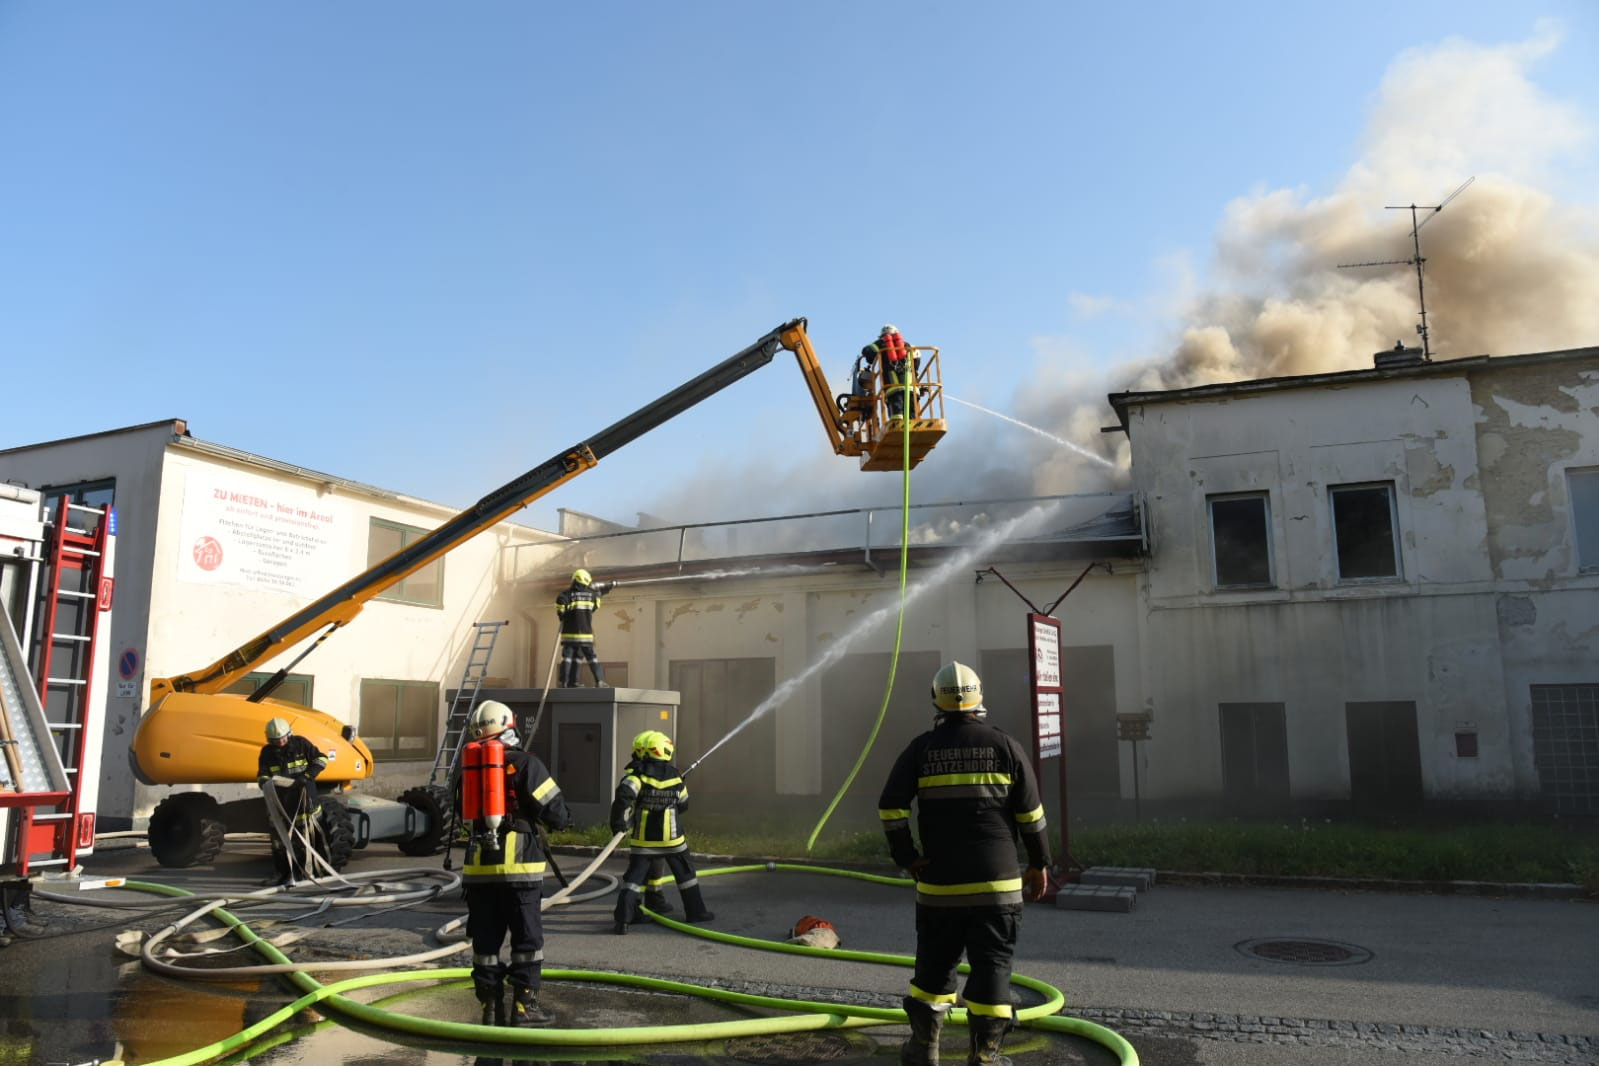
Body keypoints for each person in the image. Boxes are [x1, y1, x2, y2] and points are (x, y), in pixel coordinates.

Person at [878, 662, 1052, 1066]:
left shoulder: (921, 750)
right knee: (993, 966)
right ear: (979, 698)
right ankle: (986, 1055)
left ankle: (924, 1049)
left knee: (934, 966)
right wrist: (1039, 862)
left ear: (935, 700)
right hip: (997, 887)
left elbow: (891, 808)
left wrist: (907, 857)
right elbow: (1031, 815)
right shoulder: (1005, 746)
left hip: (939, 886)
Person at [457, 699, 573, 1028]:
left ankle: (489, 1005)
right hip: (519, 868)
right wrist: (563, 821)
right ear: (510, 725)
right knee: (526, 940)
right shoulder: (525, 763)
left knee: (485, 941)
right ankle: (525, 1007)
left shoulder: (469, 767)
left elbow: (461, 813)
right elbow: (554, 810)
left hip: (479, 869)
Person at [609, 729, 715, 934]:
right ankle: (696, 912)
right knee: (686, 876)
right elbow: (683, 804)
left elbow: (622, 799)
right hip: (672, 841)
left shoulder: (637, 777)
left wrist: (619, 825)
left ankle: (624, 919)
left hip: (644, 841)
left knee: (633, 880)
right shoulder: (675, 776)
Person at [255, 716, 328, 885]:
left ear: (289, 734)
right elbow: (262, 774)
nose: (280, 742)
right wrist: (264, 783)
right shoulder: (267, 752)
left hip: (305, 802)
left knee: (309, 840)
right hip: (280, 803)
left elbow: (321, 759)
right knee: (279, 843)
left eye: (282, 738)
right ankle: (282, 874)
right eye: (275, 740)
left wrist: (307, 776)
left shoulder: (301, 744)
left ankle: (311, 872)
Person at [623, 731, 676, 922]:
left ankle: (654, 899)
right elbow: (624, 800)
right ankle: (633, 909)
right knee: (638, 874)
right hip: (650, 834)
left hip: (648, 834)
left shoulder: (643, 774)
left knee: (654, 865)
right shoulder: (637, 776)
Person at [554, 568, 607, 688]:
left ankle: (564, 682)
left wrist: (562, 614)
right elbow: (595, 607)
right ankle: (599, 681)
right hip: (586, 635)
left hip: (569, 634)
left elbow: (560, 606)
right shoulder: (592, 595)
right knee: (590, 658)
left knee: (567, 658)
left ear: (575, 580)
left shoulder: (566, 594)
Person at [862, 323, 919, 419]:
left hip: (893, 388)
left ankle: (897, 423)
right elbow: (917, 360)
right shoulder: (907, 345)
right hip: (911, 387)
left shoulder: (880, 343)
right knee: (911, 415)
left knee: (897, 415)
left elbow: (868, 352)